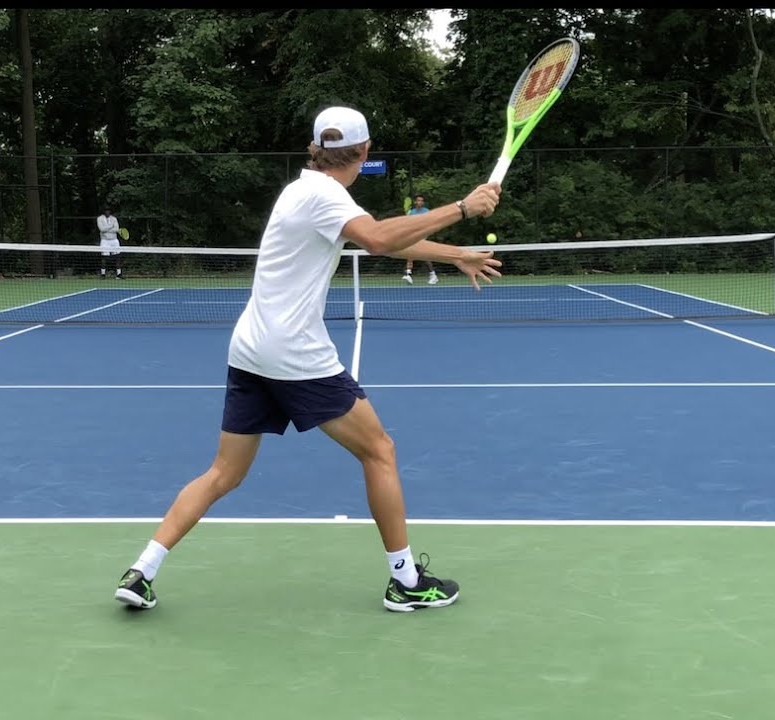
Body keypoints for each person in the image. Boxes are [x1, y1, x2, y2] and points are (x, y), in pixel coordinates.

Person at [114, 106, 502, 613]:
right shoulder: (325, 195)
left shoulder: (304, 190)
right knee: (379, 450)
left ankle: (142, 570)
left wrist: (456, 255)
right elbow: (380, 239)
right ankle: (405, 582)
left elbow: (378, 239)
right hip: (294, 354)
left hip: (250, 348)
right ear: (363, 154)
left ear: (317, 149)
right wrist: (463, 207)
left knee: (224, 474)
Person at [402, 194, 439, 285]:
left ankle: (431, 275)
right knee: (413, 254)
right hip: (413, 236)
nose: (420, 202)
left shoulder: (426, 211)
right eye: (418, 200)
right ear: (415, 202)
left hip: (423, 235)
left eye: (421, 201)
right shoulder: (411, 212)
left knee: (422, 256)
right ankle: (409, 274)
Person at [96, 206, 124, 279]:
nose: (107, 212)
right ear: (104, 211)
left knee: (117, 257)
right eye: (106, 210)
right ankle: (103, 274)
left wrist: (107, 229)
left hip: (114, 240)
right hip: (104, 241)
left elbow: (117, 229)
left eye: (108, 210)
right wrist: (111, 226)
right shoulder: (99, 218)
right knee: (104, 258)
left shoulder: (114, 219)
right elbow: (101, 229)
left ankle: (119, 274)